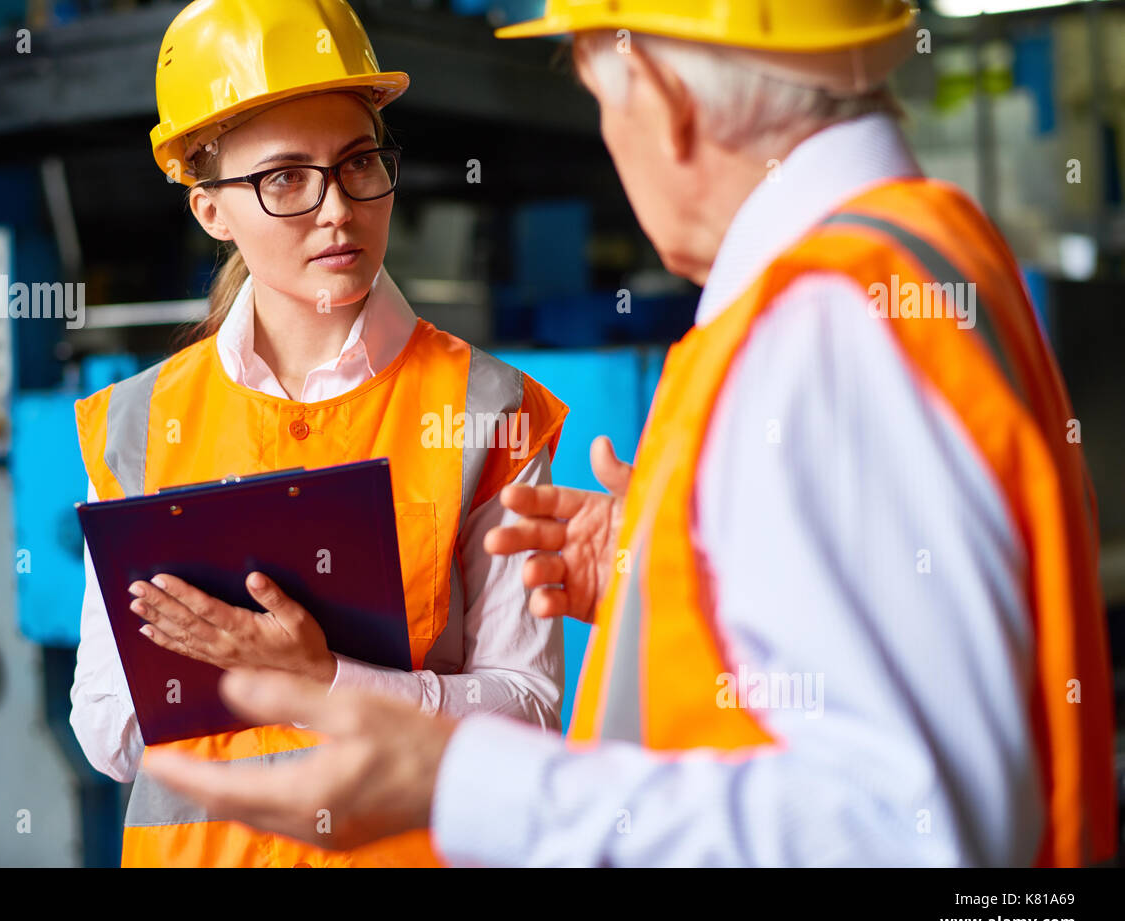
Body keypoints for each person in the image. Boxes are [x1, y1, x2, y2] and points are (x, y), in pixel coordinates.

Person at [138, 0, 1117, 866]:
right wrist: (674, 572)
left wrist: (465, 781)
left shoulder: (828, 325)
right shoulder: (923, 257)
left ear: (653, 88)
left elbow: (909, 832)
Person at [69, 0, 568, 867]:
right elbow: (106, 728)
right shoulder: (140, 424)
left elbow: (527, 708)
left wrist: (323, 679)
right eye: (286, 178)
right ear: (211, 210)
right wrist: (245, 664)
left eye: (358, 162)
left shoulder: (488, 407)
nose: (337, 208)